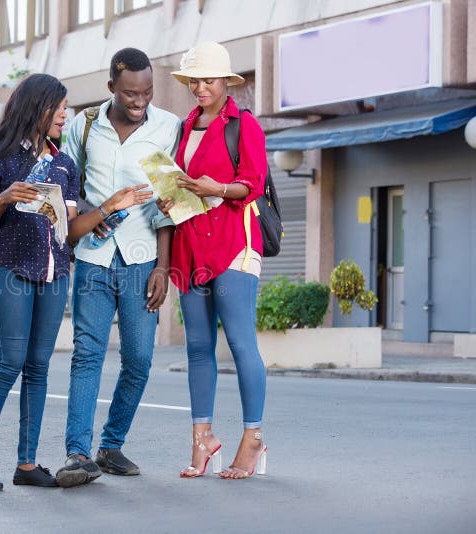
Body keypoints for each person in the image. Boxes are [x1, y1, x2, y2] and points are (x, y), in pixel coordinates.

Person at [55, 48, 181, 488]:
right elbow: (68, 188)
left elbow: (168, 203)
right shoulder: (83, 126)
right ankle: (77, 453)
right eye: (130, 93)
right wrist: (98, 211)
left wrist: (164, 268)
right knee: (87, 355)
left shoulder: (168, 127)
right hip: (92, 257)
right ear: (112, 86)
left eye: (147, 92)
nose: (140, 101)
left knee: (140, 359)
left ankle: (111, 445)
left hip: (142, 259)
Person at [0, 74, 78, 492]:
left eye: (67, 107)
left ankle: (26, 464)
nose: (66, 114)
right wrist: (5, 197)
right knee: (9, 363)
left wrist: (108, 212)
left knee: (39, 367)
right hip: (9, 270)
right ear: (37, 107)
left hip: (54, 272)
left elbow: (70, 228)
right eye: (59, 107)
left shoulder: (64, 163)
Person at [159, 41, 268, 479]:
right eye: (194, 80)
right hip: (191, 244)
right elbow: (185, 182)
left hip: (233, 245)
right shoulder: (186, 126)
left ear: (226, 81)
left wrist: (214, 188)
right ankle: (202, 438)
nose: (200, 87)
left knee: (241, 345)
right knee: (199, 348)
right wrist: (174, 199)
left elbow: (252, 184)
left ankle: (253, 438)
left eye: (208, 79)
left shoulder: (244, 124)